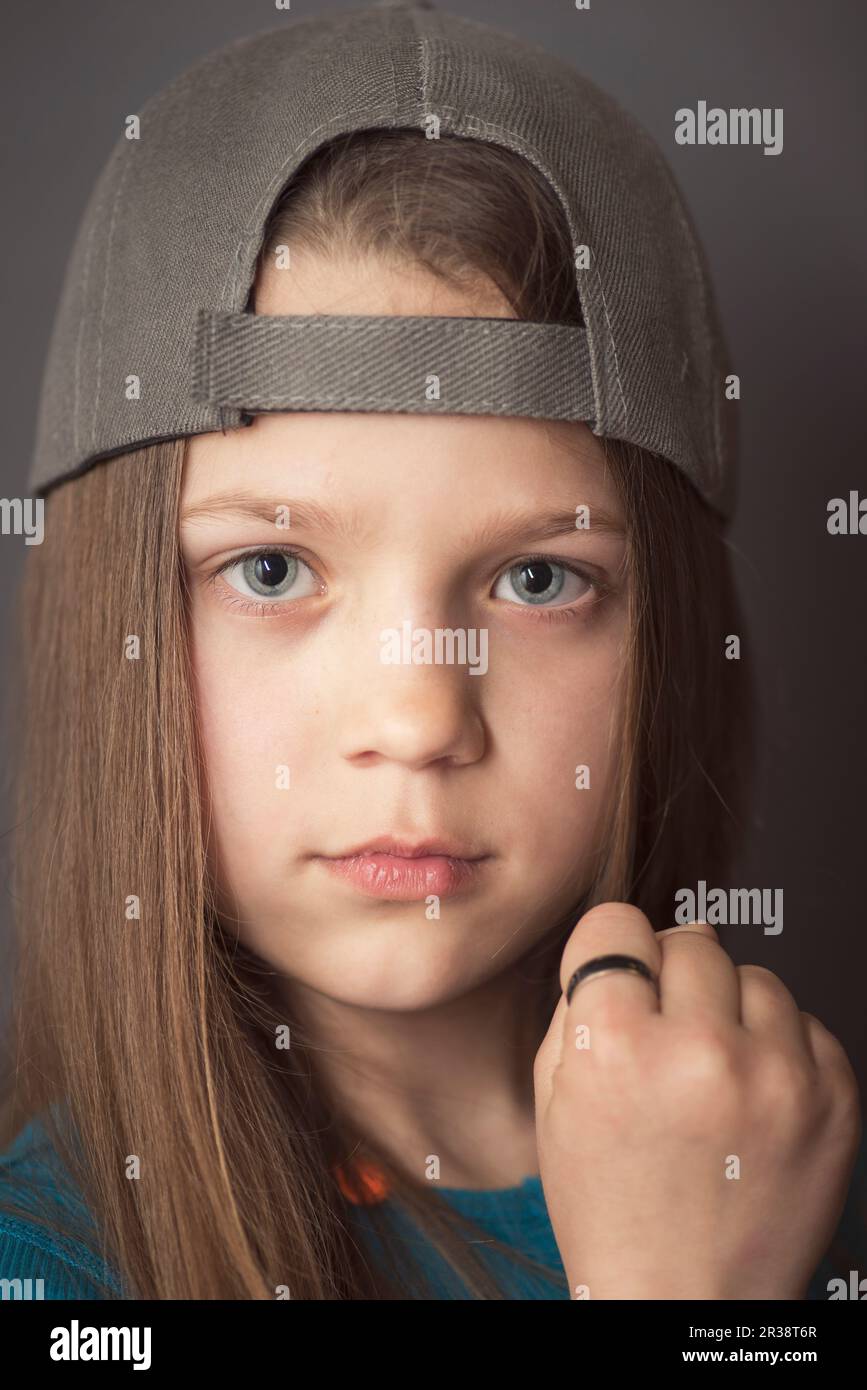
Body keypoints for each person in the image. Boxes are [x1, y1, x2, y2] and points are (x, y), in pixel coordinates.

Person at [1, 5, 864, 1301]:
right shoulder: (50, 1268)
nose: (415, 717)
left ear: (670, 638)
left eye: (537, 578)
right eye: (271, 569)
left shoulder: (800, 1166)